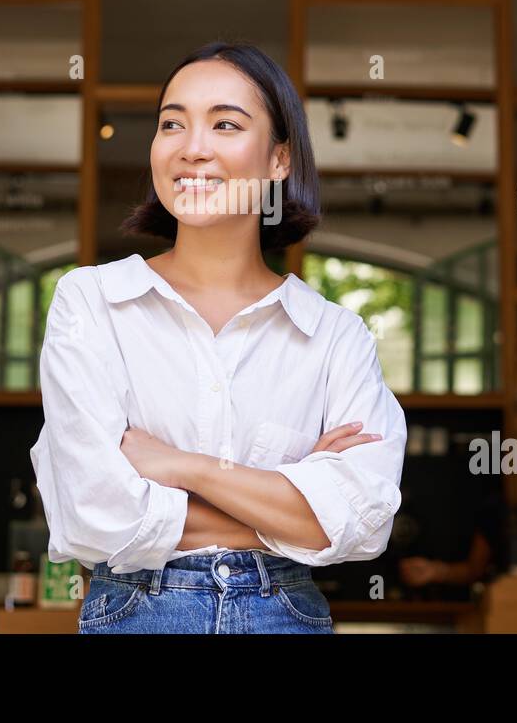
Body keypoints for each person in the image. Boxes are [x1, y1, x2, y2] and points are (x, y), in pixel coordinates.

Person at [29, 41, 408, 633]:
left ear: (279, 159)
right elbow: (93, 512)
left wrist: (182, 466)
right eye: (172, 123)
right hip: (135, 614)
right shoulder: (92, 303)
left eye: (225, 124)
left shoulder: (336, 335)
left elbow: (364, 522)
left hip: (286, 617)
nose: (193, 148)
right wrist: (292, 504)